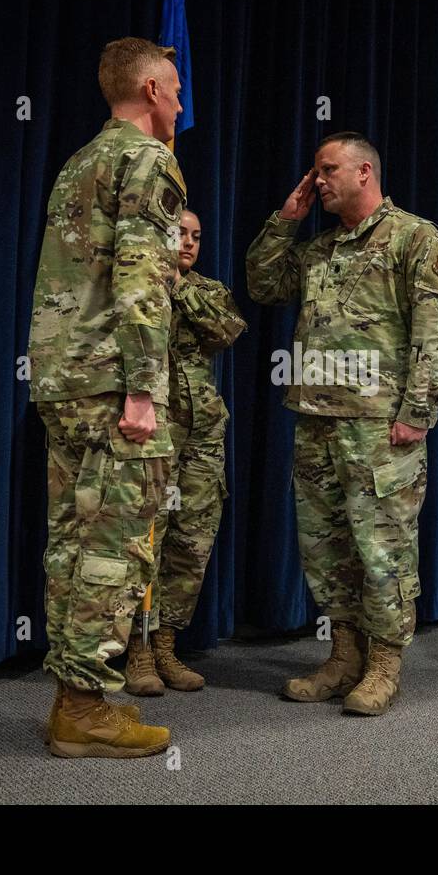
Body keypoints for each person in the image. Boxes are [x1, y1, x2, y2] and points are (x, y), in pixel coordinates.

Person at [246, 132, 438, 715]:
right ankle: (343, 656)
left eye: (328, 170)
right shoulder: (319, 249)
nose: (318, 181)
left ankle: (385, 665)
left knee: (382, 548)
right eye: (315, 171)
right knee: (325, 549)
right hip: (316, 422)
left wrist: (417, 413)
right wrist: (285, 219)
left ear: (365, 172)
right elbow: (263, 284)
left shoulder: (414, 239)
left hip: (378, 427)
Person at [27, 37, 185, 757]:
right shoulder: (146, 160)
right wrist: (145, 390)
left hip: (63, 377)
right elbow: (141, 281)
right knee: (115, 545)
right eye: (175, 88)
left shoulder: (79, 161)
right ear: (150, 91)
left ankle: (75, 697)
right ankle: (85, 707)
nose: (181, 103)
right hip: (111, 382)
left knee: (71, 539)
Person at [126, 209, 246, 694]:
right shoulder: (138, 286)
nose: (191, 242)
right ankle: (137, 647)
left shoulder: (207, 289)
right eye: (181, 233)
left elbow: (227, 329)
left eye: (198, 236)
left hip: (203, 434)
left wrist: (179, 284)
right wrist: (162, 281)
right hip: (155, 432)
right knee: (145, 540)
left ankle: (166, 645)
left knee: (191, 543)